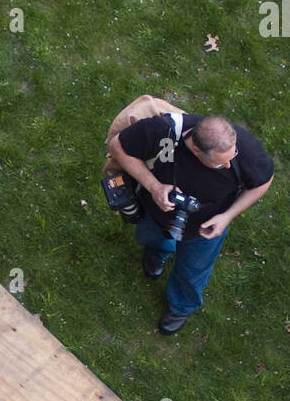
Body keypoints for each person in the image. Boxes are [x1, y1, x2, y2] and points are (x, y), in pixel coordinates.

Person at [108, 110, 274, 333]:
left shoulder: (245, 151)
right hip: (156, 211)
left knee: (193, 270)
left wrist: (227, 216)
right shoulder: (161, 131)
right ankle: (157, 257)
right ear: (196, 149)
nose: (228, 166)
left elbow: (263, 182)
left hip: (205, 227)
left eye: (231, 158)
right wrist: (154, 187)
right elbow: (118, 146)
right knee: (151, 238)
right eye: (219, 163)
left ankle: (181, 307)